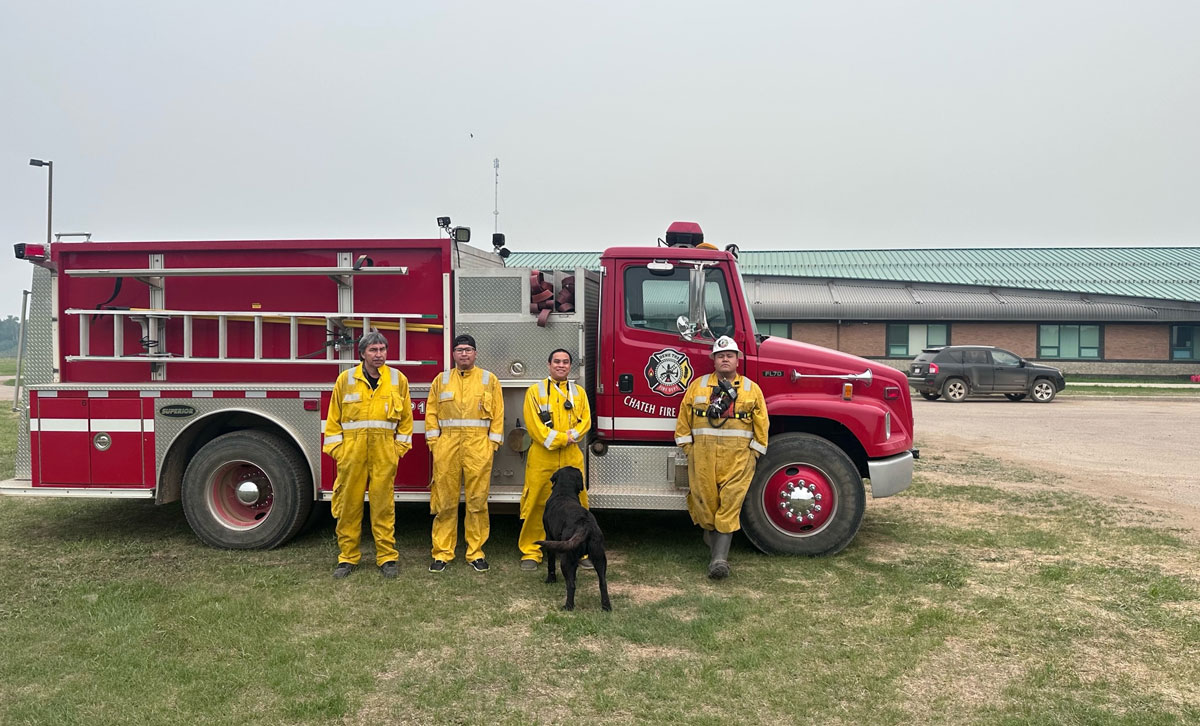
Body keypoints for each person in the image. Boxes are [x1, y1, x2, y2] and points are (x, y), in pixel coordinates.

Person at [674, 335, 768, 579]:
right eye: (720, 356)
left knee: (729, 504)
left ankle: (719, 561)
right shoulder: (698, 385)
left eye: (729, 355)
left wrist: (755, 452)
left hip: (738, 458)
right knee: (705, 505)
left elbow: (762, 423)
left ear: (738, 360)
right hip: (702, 457)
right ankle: (714, 543)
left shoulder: (750, 389)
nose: (725, 359)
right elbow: (684, 418)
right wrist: (689, 449)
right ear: (713, 360)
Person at [322, 330, 413, 579]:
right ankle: (347, 558)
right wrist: (340, 452)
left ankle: (387, 557)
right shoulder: (345, 379)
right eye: (373, 350)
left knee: (383, 506)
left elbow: (406, 421)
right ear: (362, 353)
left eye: (382, 349)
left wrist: (398, 450)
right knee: (348, 506)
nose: (379, 355)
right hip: (352, 453)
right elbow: (333, 421)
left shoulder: (398, 380)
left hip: (384, 453)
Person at [425, 333, 504, 572]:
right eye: (459, 349)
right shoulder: (441, 380)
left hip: (478, 447)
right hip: (447, 447)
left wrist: (492, 444)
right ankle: (442, 553)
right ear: (453, 354)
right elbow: (431, 412)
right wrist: (434, 443)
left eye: (468, 349)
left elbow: (498, 414)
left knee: (477, 502)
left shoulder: (488, 379)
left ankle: (476, 553)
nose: (464, 353)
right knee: (445, 502)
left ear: (475, 353)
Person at [518, 348, 592, 571]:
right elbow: (535, 427)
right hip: (543, 456)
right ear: (549, 365)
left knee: (579, 505)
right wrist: (563, 438)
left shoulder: (578, 392)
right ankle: (531, 551)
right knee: (536, 503)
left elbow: (585, 422)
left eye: (566, 362)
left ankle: (580, 549)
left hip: (571, 456)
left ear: (570, 366)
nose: (561, 365)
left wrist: (572, 437)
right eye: (557, 362)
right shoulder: (534, 391)